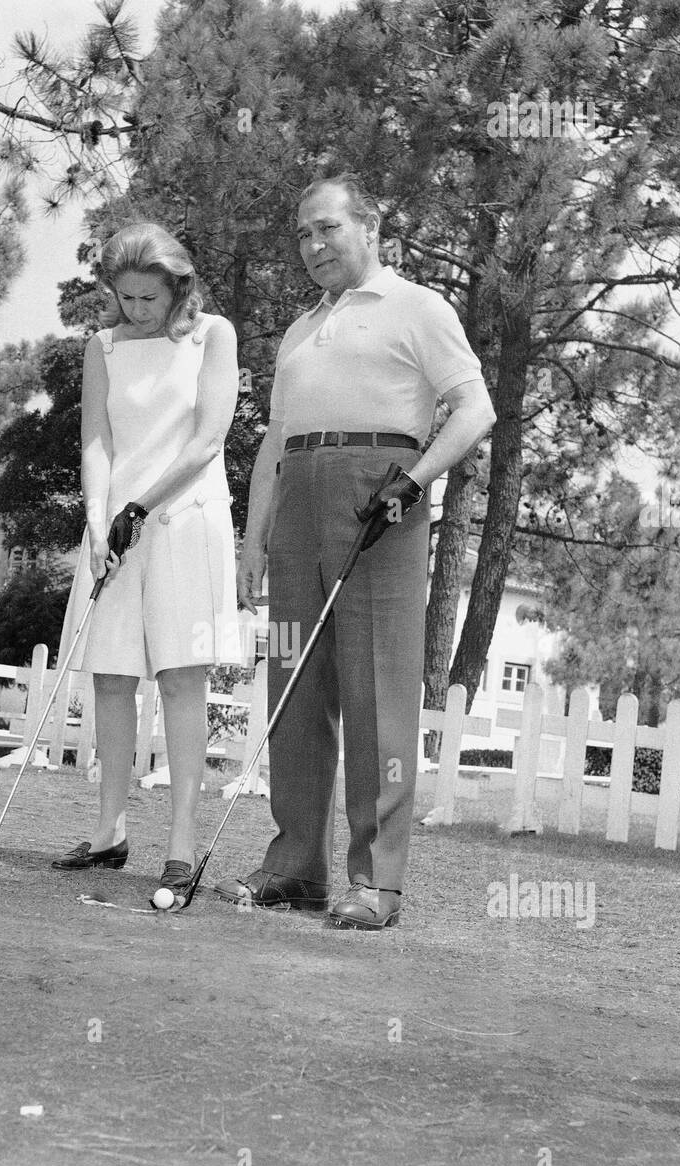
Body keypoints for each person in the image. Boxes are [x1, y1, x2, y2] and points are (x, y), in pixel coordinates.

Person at [214, 174, 496, 930]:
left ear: (371, 227)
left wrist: (415, 479)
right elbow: (274, 442)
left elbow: (476, 409)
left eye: (327, 229)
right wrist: (253, 542)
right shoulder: (300, 330)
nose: (313, 246)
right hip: (297, 499)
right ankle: (293, 864)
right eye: (303, 234)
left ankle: (375, 880)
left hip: (382, 494)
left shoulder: (418, 307)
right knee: (291, 681)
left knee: (378, 691)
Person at [51, 222, 241, 905]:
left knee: (181, 676)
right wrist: (100, 516)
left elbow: (207, 438)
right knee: (109, 675)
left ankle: (182, 847)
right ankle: (109, 832)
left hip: (185, 518)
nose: (136, 310)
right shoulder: (102, 346)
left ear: (179, 289)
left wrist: (142, 505)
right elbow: (97, 437)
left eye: (149, 298)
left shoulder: (213, 336)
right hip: (117, 530)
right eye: (125, 297)